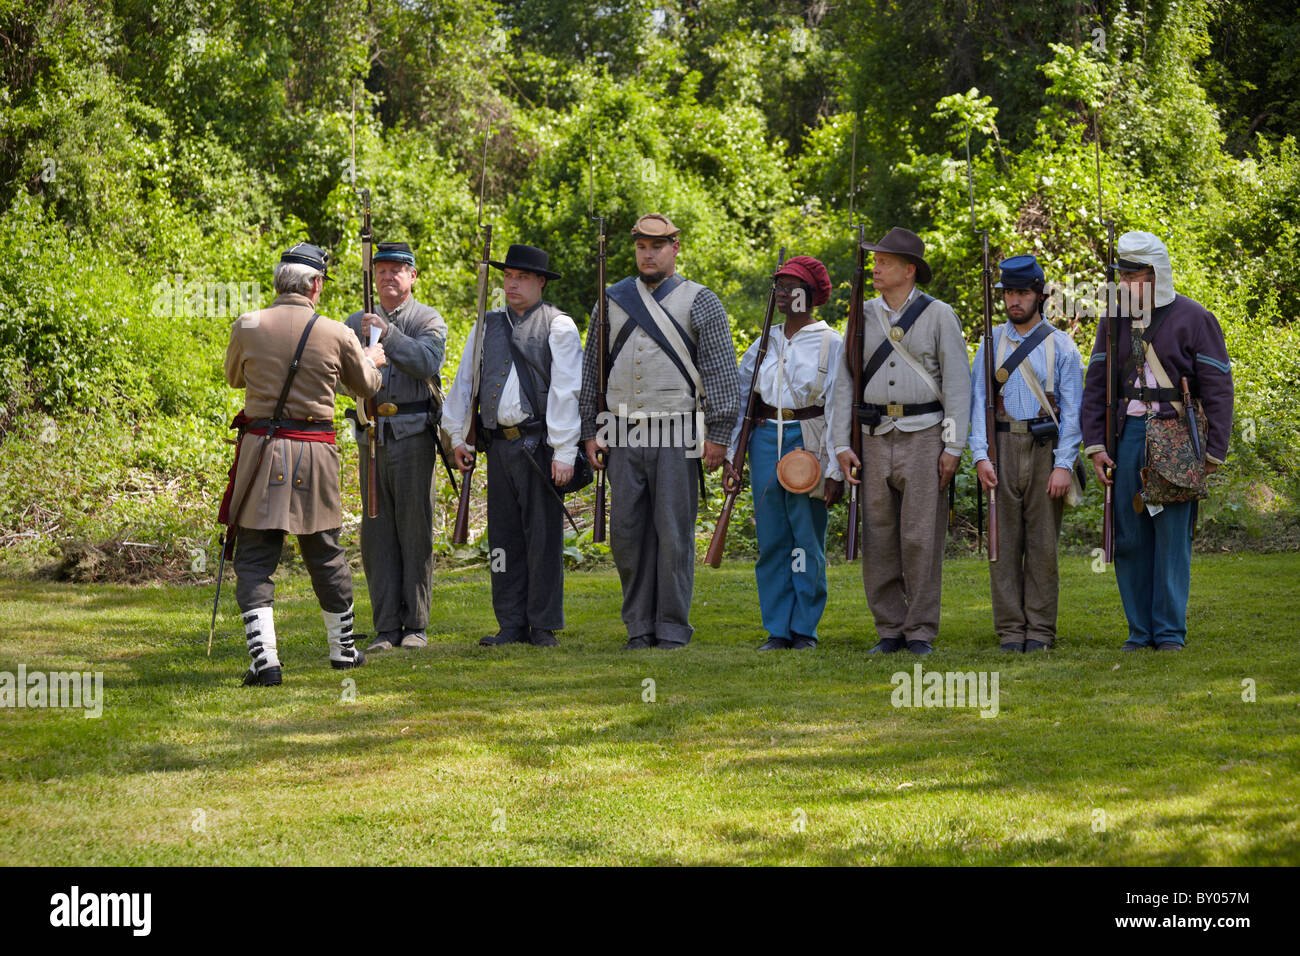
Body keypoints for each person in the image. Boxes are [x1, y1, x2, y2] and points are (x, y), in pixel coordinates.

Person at [222, 243, 385, 685]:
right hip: (314, 454)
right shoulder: (336, 332)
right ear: (315, 284)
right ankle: (343, 653)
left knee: (255, 556)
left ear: (280, 281)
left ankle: (266, 663)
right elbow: (366, 386)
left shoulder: (248, 323)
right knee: (325, 554)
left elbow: (235, 377)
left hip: (261, 450)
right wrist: (371, 360)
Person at [579, 213, 740, 649]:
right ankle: (639, 626)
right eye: (641, 247)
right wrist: (589, 431)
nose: (648, 254)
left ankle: (671, 626)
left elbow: (722, 374)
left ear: (675, 248)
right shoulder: (609, 299)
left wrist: (720, 435)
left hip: (677, 430)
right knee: (628, 534)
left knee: (673, 534)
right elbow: (592, 372)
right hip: (622, 431)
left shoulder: (700, 300)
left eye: (657, 246)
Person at [1082, 231, 1233, 650]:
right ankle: (1139, 631)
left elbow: (1218, 388)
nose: (1124, 283)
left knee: (1170, 538)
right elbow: (1096, 384)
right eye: (1121, 274)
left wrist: (1214, 452)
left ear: (1154, 275)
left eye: (1132, 275)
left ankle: (1168, 632)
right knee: (1129, 536)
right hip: (1128, 435)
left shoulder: (1194, 318)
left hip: (1177, 436)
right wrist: (1096, 445)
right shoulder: (1112, 321)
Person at [831, 227, 971, 656]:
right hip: (873, 437)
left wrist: (953, 447)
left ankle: (921, 630)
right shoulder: (862, 313)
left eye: (885, 262)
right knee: (879, 536)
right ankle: (889, 628)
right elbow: (843, 382)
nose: (876, 268)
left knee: (920, 537)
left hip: (925, 435)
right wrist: (840, 444)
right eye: (875, 261)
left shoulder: (939, 314)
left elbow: (958, 385)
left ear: (909, 270)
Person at [443, 244, 583, 648]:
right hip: (499, 447)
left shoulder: (559, 326)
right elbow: (465, 382)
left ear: (540, 282)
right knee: (503, 539)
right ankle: (510, 623)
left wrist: (563, 450)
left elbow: (565, 390)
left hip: (539, 446)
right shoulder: (486, 324)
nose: (512, 284)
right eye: (508, 277)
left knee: (543, 539)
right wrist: (457, 436)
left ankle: (542, 625)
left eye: (521, 277)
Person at [727, 255, 844, 651]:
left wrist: (835, 469)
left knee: (805, 538)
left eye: (791, 286)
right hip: (764, 440)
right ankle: (777, 627)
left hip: (807, 441)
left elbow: (837, 409)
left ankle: (804, 628)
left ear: (809, 296)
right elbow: (744, 398)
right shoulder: (765, 341)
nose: (782, 293)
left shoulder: (832, 343)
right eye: (778, 286)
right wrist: (732, 454)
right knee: (774, 538)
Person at [969, 254, 1083, 652]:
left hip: (1044, 450)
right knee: (1002, 547)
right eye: (1008, 293)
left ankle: (1040, 631)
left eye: (1022, 292)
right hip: (1000, 447)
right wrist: (981, 456)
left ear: (1040, 295)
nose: (1014, 300)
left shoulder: (1062, 345)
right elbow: (977, 403)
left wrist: (1064, 465)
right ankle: (1010, 631)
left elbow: (1073, 413)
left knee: (1042, 547)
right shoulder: (990, 344)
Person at [343, 241, 448, 653]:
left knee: (414, 530)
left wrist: (389, 335)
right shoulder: (354, 322)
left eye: (397, 269)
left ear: (412, 276)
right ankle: (385, 627)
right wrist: (364, 361)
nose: (388, 276)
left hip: (413, 433)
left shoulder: (427, 319)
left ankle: (415, 625)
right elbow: (337, 377)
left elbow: (427, 362)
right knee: (376, 534)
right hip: (371, 434)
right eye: (381, 269)